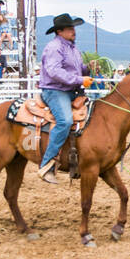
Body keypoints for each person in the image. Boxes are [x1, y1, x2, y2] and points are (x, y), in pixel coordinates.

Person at [36, 13, 86, 184]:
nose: (74, 31)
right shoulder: (54, 47)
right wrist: (80, 79)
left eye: (74, 28)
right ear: (60, 31)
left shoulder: (72, 48)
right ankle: (47, 165)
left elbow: (75, 69)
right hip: (55, 91)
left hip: (71, 90)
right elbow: (54, 72)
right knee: (64, 121)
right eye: (70, 28)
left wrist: (86, 70)